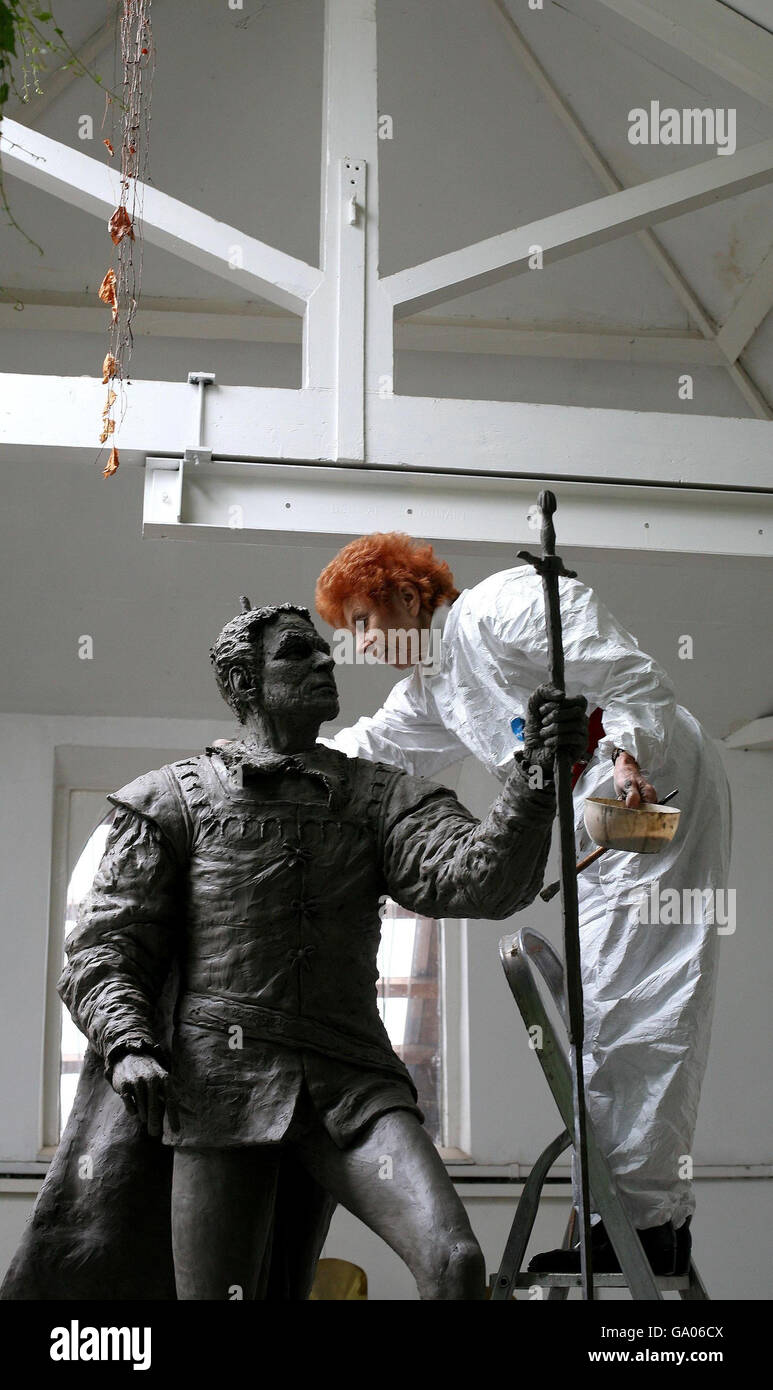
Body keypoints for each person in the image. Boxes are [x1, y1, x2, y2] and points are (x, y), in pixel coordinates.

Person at [5, 599, 587, 1303]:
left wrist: (532, 782)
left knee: (455, 1260)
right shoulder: (167, 801)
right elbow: (106, 944)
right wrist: (127, 1042)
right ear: (242, 683)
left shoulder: (377, 795)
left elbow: (475, 880)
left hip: (351, 1081)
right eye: (294, 652)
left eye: (322, 649)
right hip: (218, 1088)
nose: (322, 659)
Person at [315, 532, 732, 1276]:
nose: (361, 646)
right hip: (603, 815)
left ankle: (644, 1231)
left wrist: (633, 754)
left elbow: (623, 669)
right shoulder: (431, 688)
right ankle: (634, 1220)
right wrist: (280, 763)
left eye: (363, 624)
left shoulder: (497, 606)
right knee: (613, 1012)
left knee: (636, 1008)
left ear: (407, 597)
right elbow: (372, 748)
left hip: (647, 789)